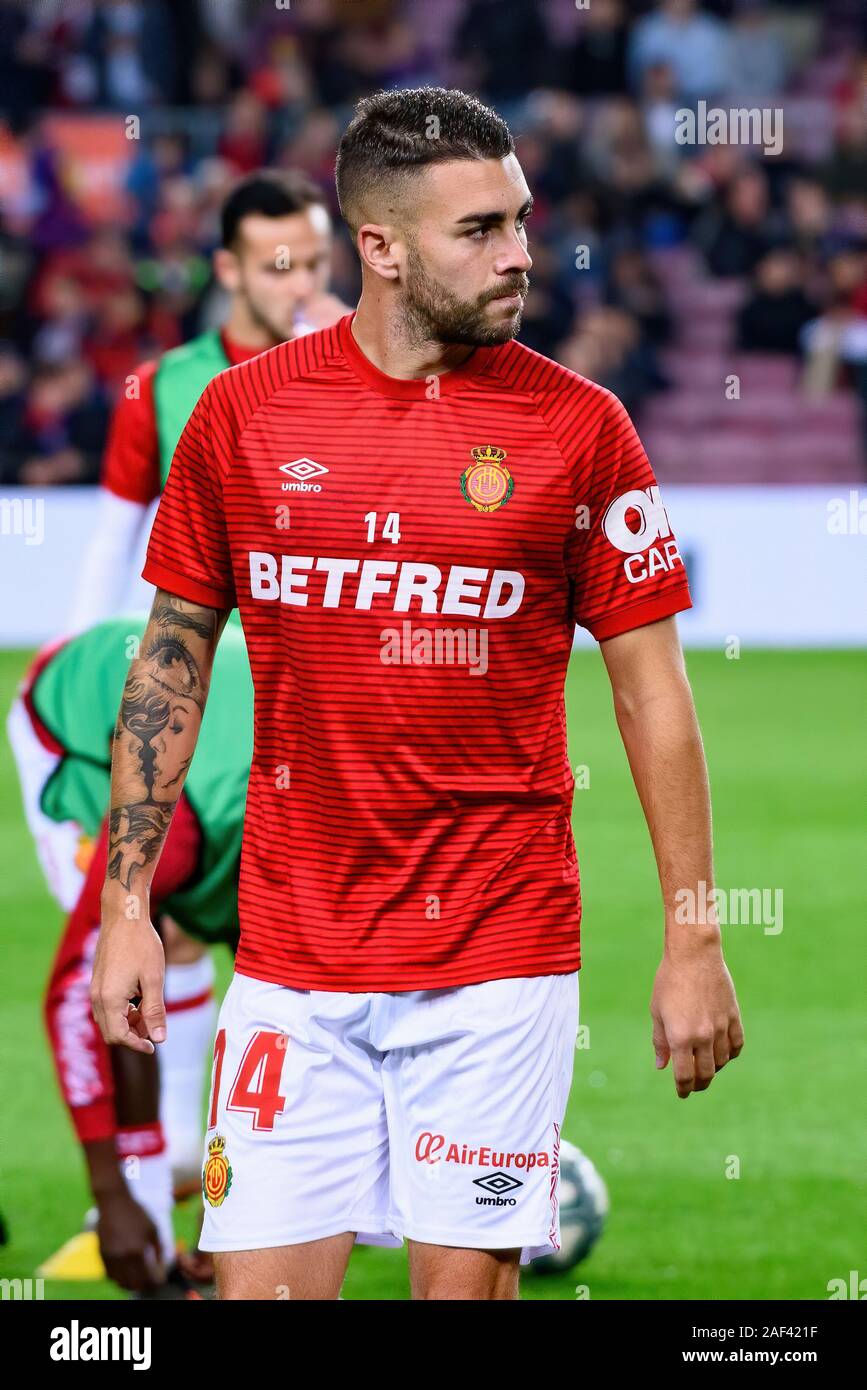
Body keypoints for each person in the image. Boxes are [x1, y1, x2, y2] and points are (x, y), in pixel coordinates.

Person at [91, 87, 744, 1302]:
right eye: (481, 231)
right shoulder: (243, 415)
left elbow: (654, 695)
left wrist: (694, 936)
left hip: (499, 959)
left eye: (521, 222)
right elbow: (167, 659)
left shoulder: (581, 429)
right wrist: (126, 901)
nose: (520, 257)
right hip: (289, 958)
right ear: (380, 248)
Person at [7, 615, 252, 1293]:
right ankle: (145, 1185)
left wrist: (235, 1207)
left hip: (210, 746)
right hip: (71, 719)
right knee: (131, 958)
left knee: (215, 948)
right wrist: (115, 1193)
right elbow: (73, 998)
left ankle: (198, 1181)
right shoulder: (173, 829)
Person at [68, 167, 349, 631]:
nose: (303, 285)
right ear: (228, 271)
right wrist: (75, 653)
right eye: (279, 267)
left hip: (324, 666)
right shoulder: (159, 386)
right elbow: (114, 540)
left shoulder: (360, 374)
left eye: (314, 264)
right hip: (208, 662)